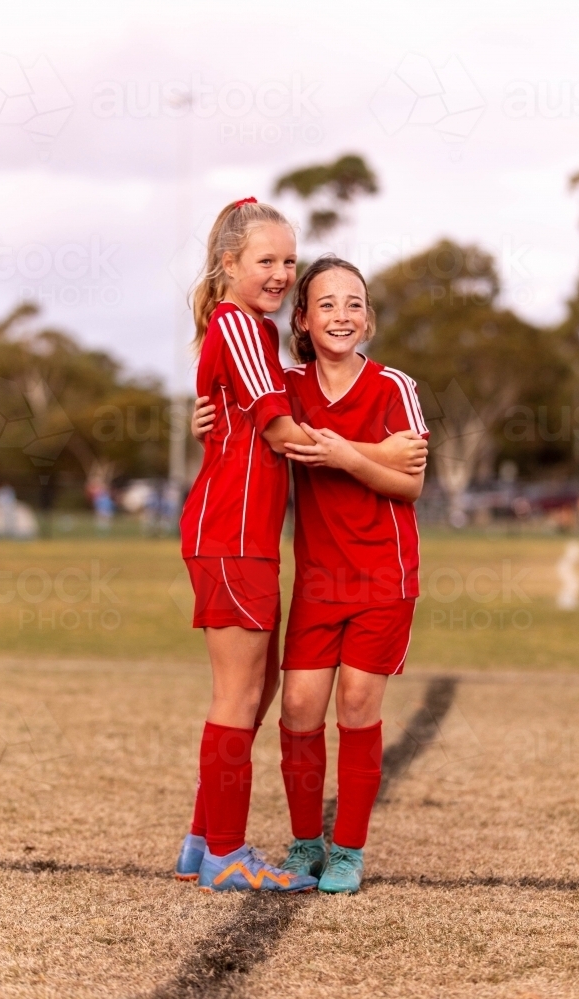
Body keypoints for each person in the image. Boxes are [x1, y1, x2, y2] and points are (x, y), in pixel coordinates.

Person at [179, 202, 426, 894]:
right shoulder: (250, 337)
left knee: (254, 696)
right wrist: (369, 450)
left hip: (284, 551)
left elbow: (407, 480)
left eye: (289, 261)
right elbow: (280, 431)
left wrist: (211, 414)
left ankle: (204, 843)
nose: (281, 273)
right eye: (269, 261)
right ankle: (226, 851)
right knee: (247, 698)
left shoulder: (258, 338)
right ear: (228, 265)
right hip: (233, 537)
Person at [276, 256, 427, 893]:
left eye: (355, 303)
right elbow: (287, 439)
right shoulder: (287, 387)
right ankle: (306, 839)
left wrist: (348, 454)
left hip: (382, 579)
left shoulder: (394, 387)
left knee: (358, 705)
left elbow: (411, 481)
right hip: (316, 580)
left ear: (368, 319)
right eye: (327, 304)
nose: (343, 315)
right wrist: (206, 418)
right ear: (303, 320)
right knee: (300, 706)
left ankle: (348, 850)